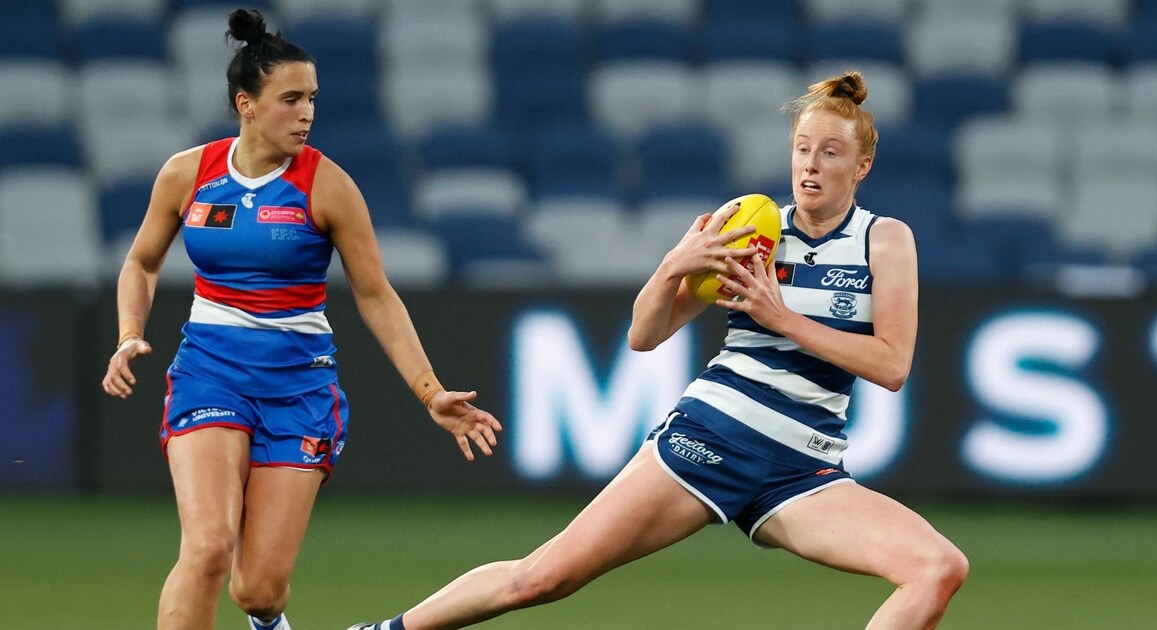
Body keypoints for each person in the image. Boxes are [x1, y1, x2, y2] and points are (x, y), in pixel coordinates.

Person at [347, 71, 968, 630]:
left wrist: (781, 318)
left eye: (830, 153)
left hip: (800, 470)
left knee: (939, 567)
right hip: (709, 439)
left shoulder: (884, 240)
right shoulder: (753, 228)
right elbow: (643, 335)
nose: (810, 165)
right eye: (801, 150)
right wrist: (673, 265)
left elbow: (891, 365)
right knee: (540, 578)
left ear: (860, 167)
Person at [99, 9, 503, 630]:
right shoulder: (189, 173)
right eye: (290, 99)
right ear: (247, 104)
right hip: (211, 374)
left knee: (258, 590)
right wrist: (131, 334)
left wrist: (430, 392)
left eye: (311, 98)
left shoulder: (328, 186)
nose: (306, 112)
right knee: (207, 548)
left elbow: (376, 296)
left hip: (298, 389)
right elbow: (141, 261)